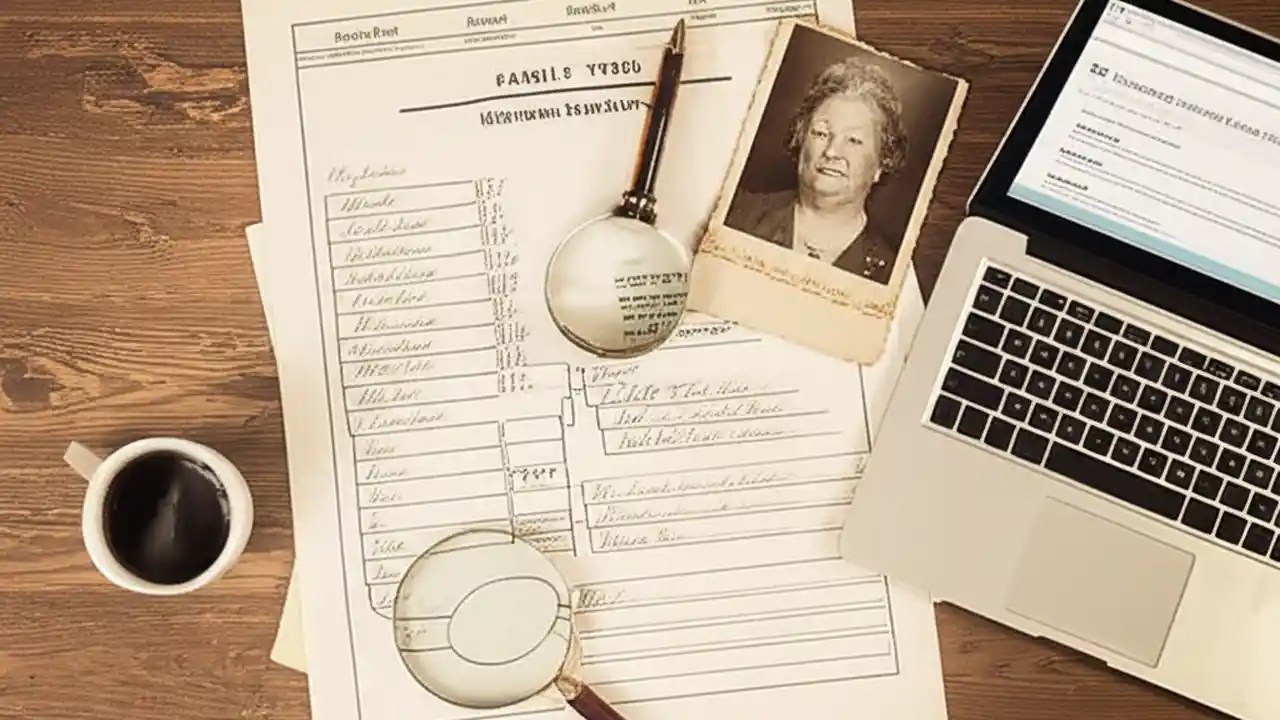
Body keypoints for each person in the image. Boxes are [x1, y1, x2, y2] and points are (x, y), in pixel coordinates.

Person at [726, 56, 909, 284]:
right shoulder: (736, 213)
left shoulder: (892, 276)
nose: (832, 151)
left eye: (853, 140)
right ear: (800, 140)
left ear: (882, 164)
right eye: (821, 133)